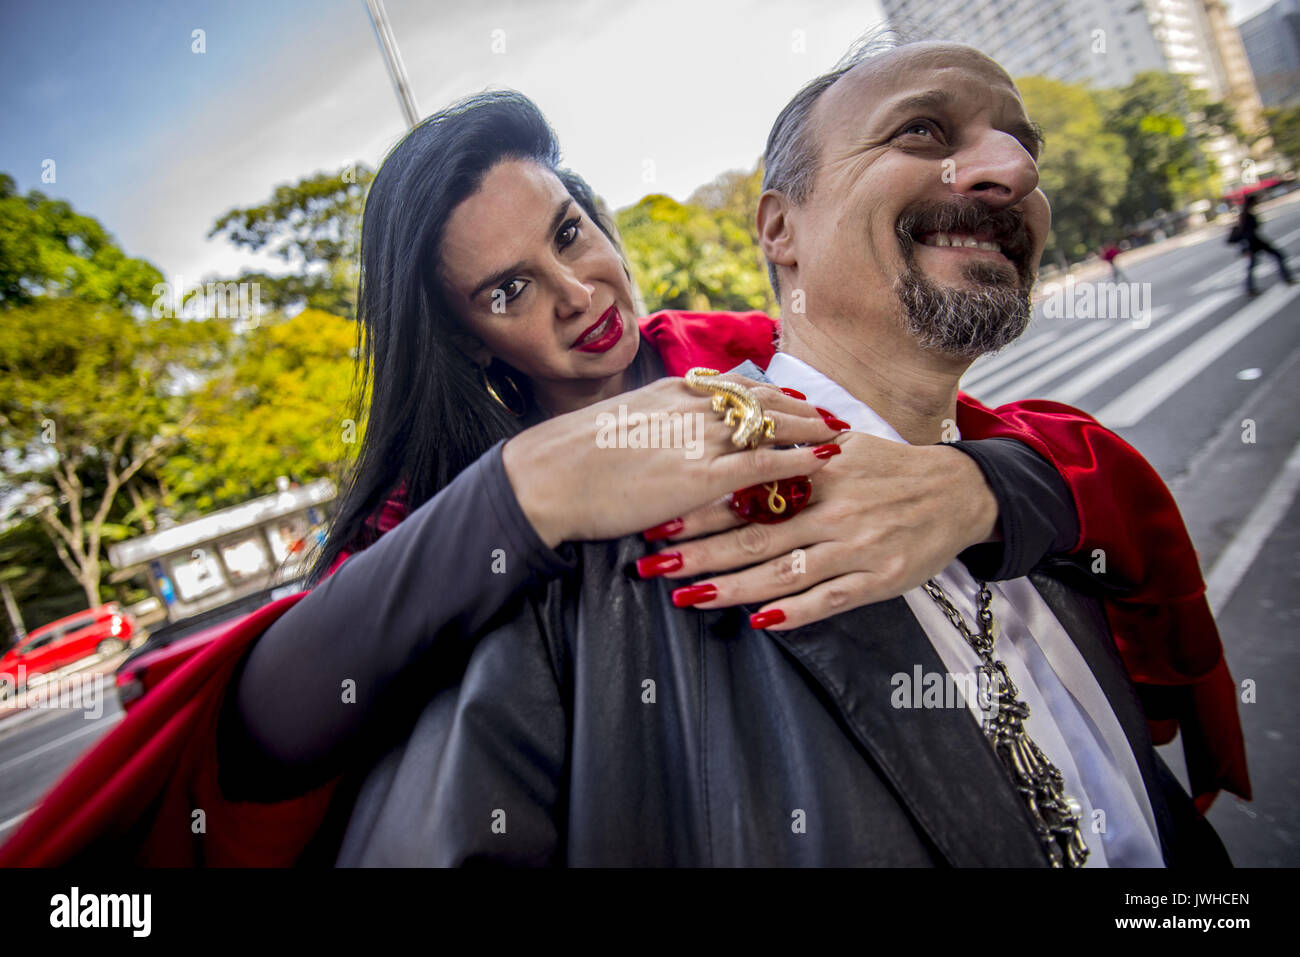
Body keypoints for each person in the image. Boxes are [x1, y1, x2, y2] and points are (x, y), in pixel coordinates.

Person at [0, 68, 1245, 867]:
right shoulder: (450, 509)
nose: (577, 293)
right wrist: (528, 493)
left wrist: (980, 490)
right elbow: (275, 714)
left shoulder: (741, 353)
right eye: (507, 290)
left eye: (570, 233)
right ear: (466, 338)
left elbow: (1042, 449)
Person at [1236, 193, 1294, 295]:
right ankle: (1286, 278)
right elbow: (1248, 234)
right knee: (1278, 256)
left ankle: (1249, 288)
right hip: (1254, 243)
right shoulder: (1247, 216)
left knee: (1253, 266)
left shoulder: (1245, 215)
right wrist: (1247, 248)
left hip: (1253, 243)